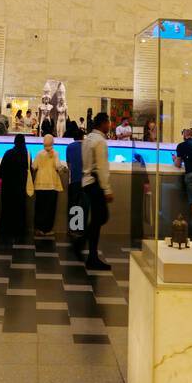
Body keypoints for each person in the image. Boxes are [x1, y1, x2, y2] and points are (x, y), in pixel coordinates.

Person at [81, 112, 113, 271]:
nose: (110, 125)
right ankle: (90, 254)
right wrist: (107, 189)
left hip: (87, 181)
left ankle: (86, 247)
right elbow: (101, 166)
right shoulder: (100, 141)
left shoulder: (88, 139)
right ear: (103, 123)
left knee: (98, 218)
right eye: (108, 122)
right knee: (100, 217)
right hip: (95, 183)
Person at [0, 134, 30, 245]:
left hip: (8, 187)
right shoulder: (27, 154)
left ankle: (5, 229)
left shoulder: (8, 153)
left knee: (7, 208)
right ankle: (19, 230)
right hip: (20, 187)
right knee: (19, 209)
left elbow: (1, 169)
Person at [30, 133, 66, 238]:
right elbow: (58, 166)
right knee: (50, 208)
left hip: (40, 184)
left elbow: (33, 167)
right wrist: (63, 169)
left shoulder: (39, 153)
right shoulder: (56, 153)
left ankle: (38, 228)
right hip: (52, 184)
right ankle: (47, 229)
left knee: (39, 207)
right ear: (53, 142)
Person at [64, 119, 85, 250]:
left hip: (74, 180)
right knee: (81, 205)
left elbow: (69, 164)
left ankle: (71, 229)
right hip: (85, 181)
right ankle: (80, 229)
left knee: (72, 204)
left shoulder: (69, 147)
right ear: (82, 137)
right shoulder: (87, 146)